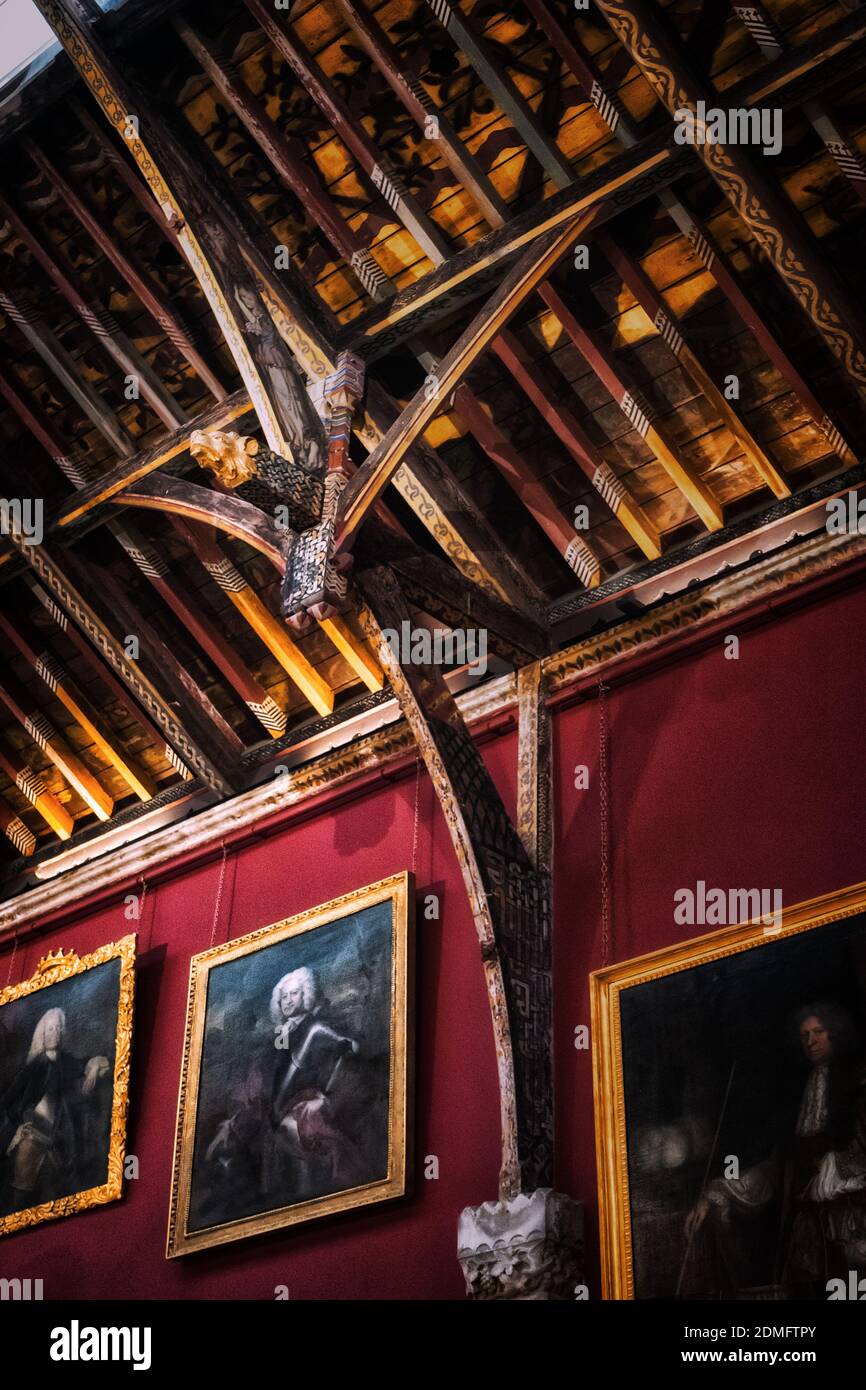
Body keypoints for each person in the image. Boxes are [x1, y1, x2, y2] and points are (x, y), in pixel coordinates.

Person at [686, 1001, 866, 1296]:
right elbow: (777, 1169)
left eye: (818, 1031)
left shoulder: (858, 1083)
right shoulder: (801, 1095)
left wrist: (834, 1166)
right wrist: (716, 1191)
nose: (811, 1041)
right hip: (811, 1232)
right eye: (805, 1035)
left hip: (851, 1221)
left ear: (835, 1032)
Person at [0, 1007, 110, 1213]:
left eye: (59, 1028)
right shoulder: (35, 1065)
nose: (55, 1033)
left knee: (57, 1198)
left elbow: (99, 1061)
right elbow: (8, 1100)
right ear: (42, 1033)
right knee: (20, 1199)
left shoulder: (66, 1062)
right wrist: (18, 1125)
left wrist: (94, 1067)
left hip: (57, 1139)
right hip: (32, 1137)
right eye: (50, 1029)